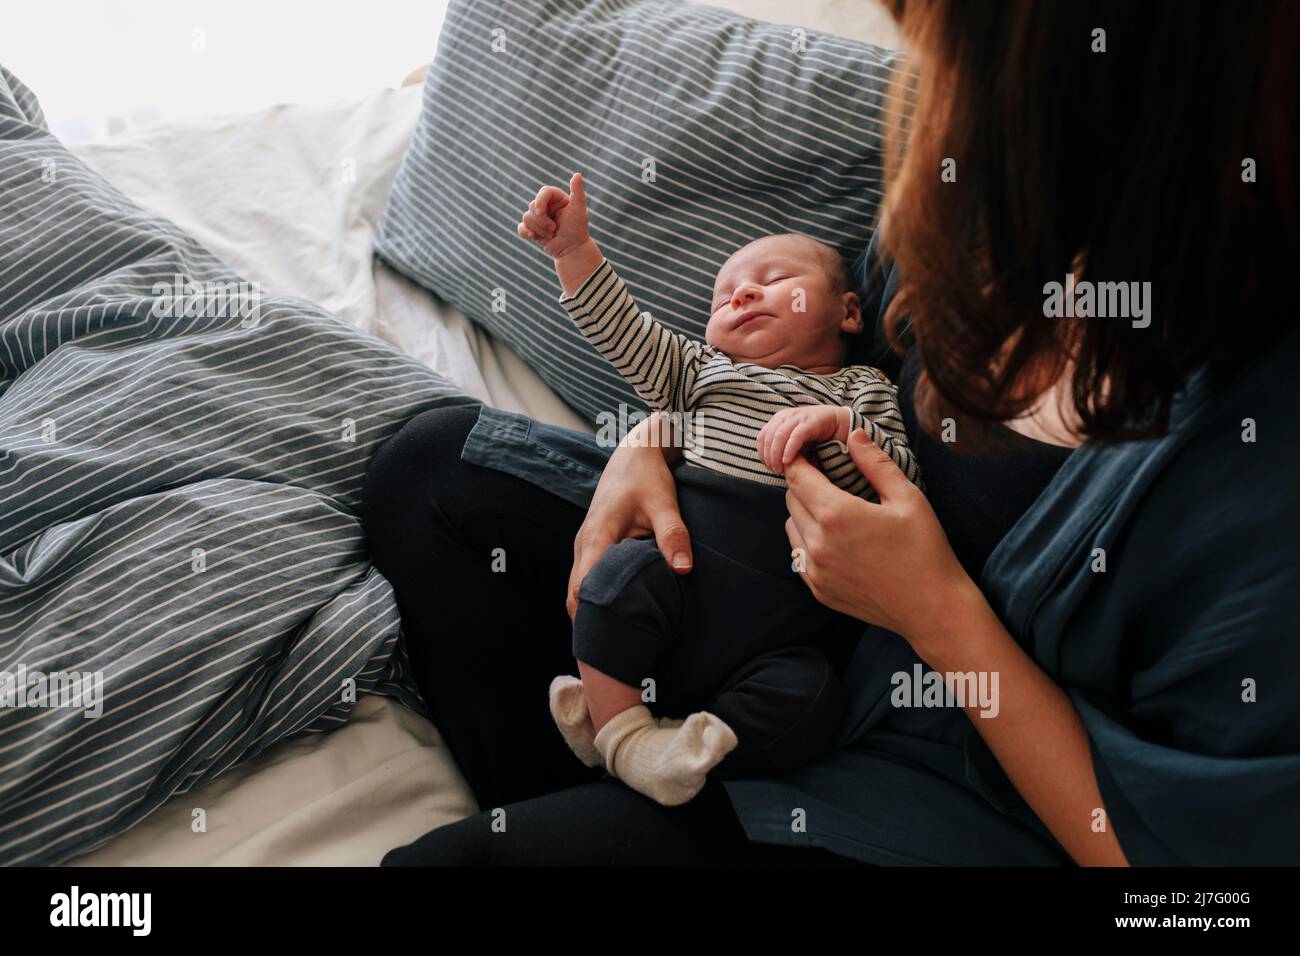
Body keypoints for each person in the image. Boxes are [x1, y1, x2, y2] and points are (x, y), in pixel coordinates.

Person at [363, 0, 1299, 865]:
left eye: (955, 62)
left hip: (947, 770)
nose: (931, 91)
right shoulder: (977, 183)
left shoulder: (1256, 471)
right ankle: (627, 767)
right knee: (431, 476)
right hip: (746, 574)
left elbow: (1193, 899)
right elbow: (804, 382)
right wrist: (656, 440)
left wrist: (934, 611)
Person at [514, 174, 921, 807]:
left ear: (847, 311)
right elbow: (625, 331)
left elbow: (902, 477)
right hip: (676, 582)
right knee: (613, 583)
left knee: (813, 699)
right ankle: (623, 734)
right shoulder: (704, 374)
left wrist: (840, 428)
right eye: (724, 296)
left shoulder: (862, 390)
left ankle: (674, 741)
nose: (746, 293)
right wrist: (573, 253)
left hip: (781, 629)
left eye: (777, 279)